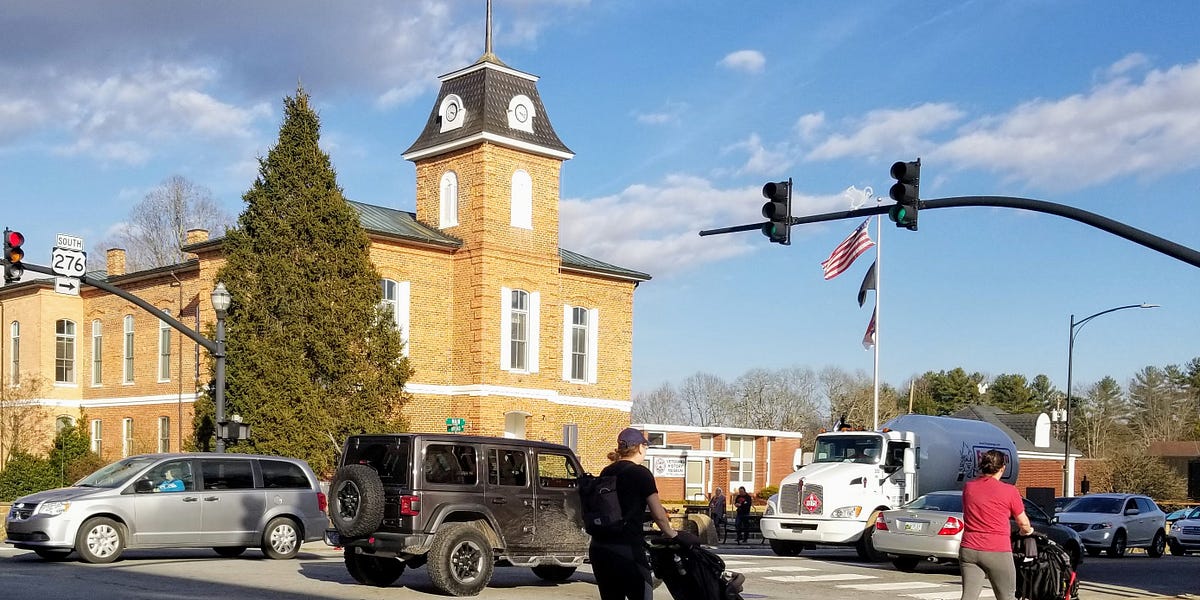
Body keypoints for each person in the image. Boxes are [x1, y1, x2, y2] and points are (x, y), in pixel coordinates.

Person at [589, 427, 697, 600]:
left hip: (600, 548)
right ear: (640, 447)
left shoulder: (606, 472)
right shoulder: (641, 473)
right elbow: (658, 514)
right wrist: (673, 534)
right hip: (627, 549)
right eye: (646, 447)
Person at [959, 449, 1034, 600]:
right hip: (996, 549)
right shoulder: (1009, 491)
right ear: (1003, 467)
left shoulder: (969, 487)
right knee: (1007, 596)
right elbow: (1023, 523)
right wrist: (1027, 531)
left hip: (969, 548)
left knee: (969, 596)